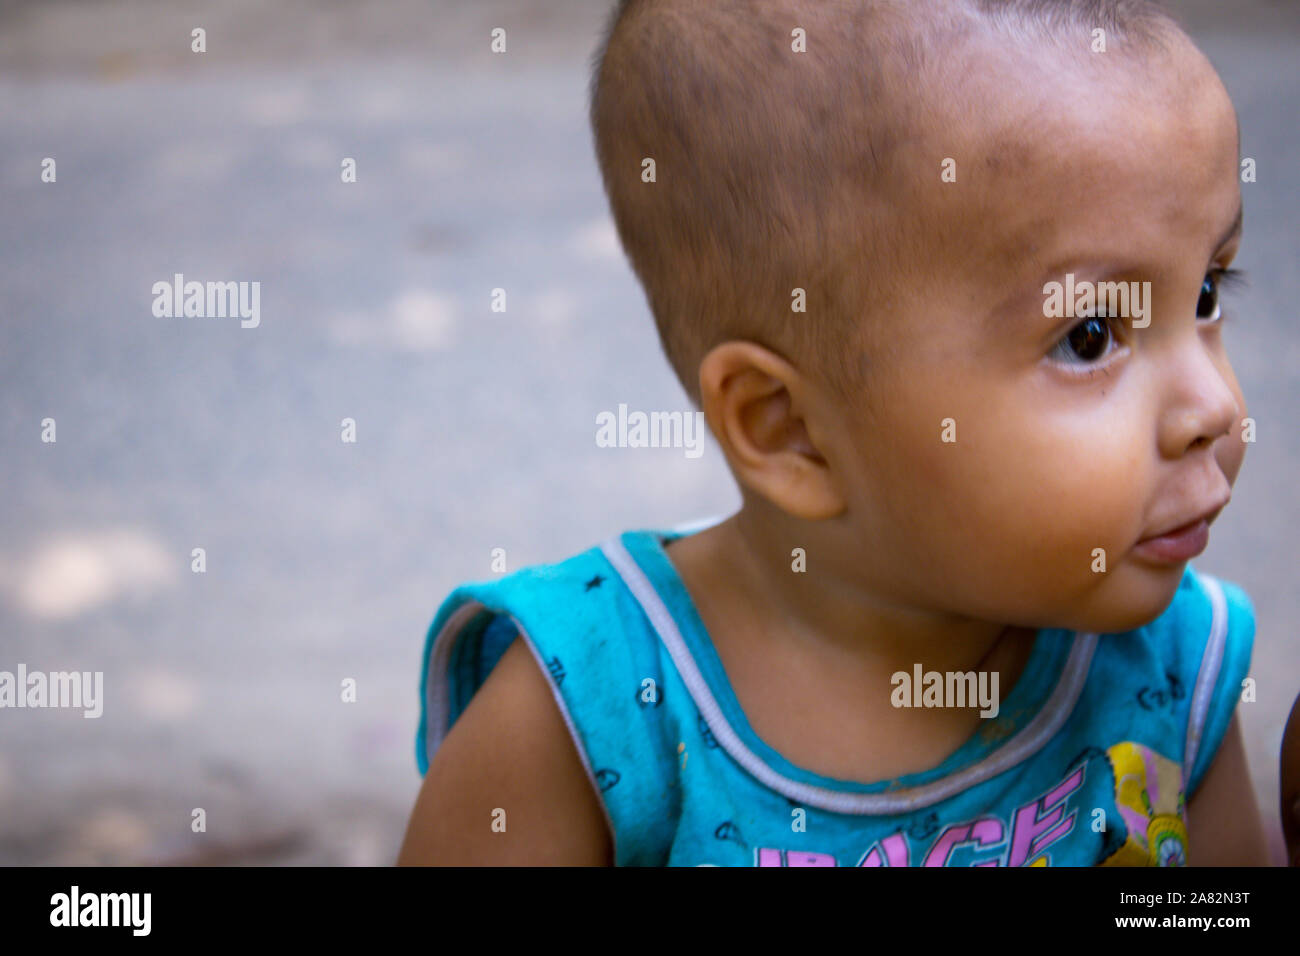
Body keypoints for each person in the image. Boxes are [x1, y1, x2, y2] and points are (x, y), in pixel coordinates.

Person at [399, 0, 1274, 866]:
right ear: (790, 431)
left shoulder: (1168, 672)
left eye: (1205, 294)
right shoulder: (593, 719)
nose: (1215, 407)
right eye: (1090, 338)